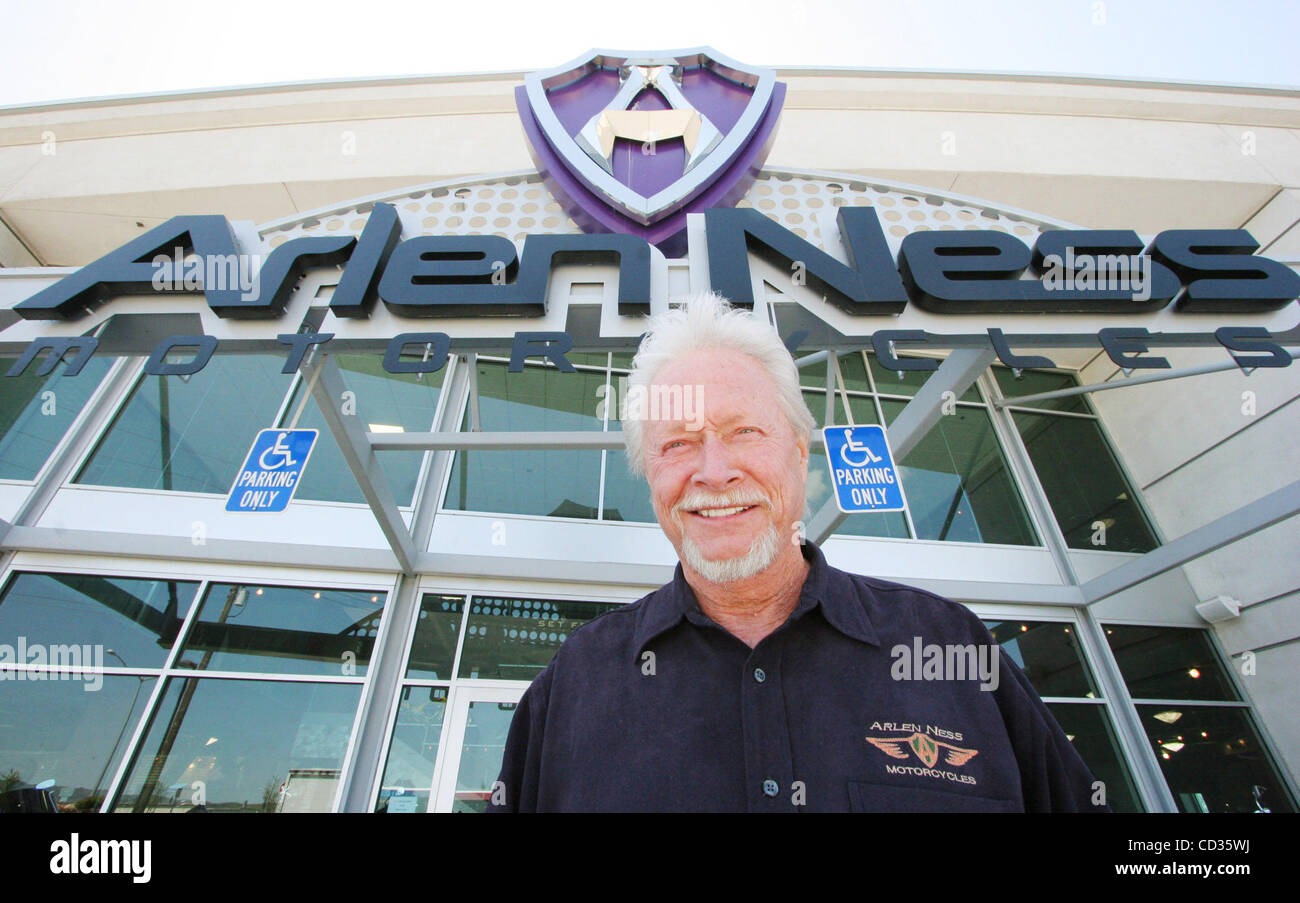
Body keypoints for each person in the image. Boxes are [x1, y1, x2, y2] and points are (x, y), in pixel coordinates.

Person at [489, 292, 1107, 812]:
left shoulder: (947, 645)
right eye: (677, 444)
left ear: (799, 450)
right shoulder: (573, 685)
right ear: (647, 473)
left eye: (744, 433)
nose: (714, 472)